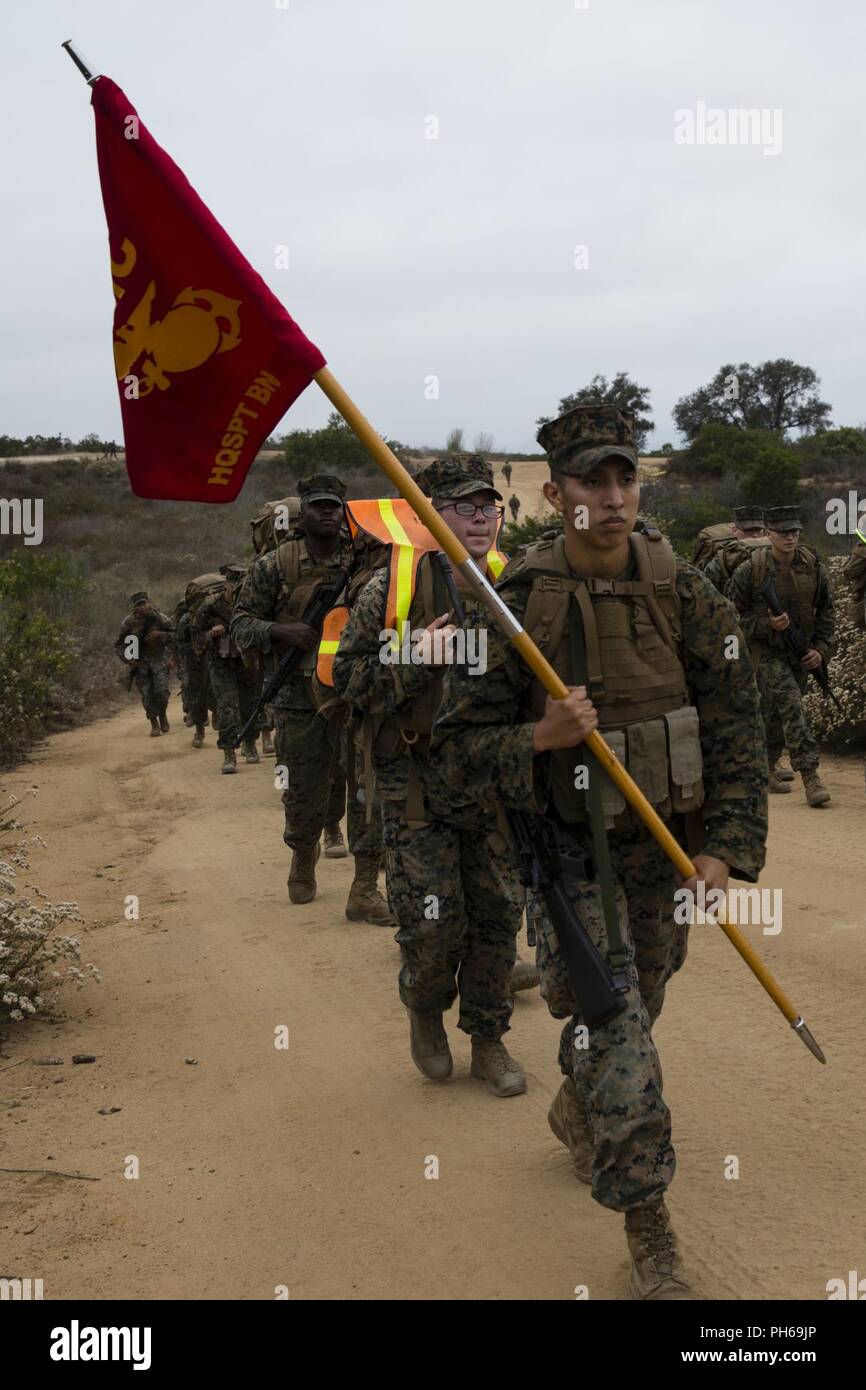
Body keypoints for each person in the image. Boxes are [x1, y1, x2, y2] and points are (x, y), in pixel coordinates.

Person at [431, 405, 768, 1298]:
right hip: (571, 863)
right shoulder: (512, 606)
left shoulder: (682, 589)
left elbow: (737, 719)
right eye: (592, 481)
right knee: (621, 1033)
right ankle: (650, 1228)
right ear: (557, 493)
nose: (612, 498)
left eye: (626, 479)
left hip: (664, 853)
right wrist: (536, 738)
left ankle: (576, 1106)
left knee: (634, 1014)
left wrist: (727, 851)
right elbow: (453, 755)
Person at [332, 456, 531, 1097]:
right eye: (464, 507)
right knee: (433, 922)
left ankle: (489, 1039)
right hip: (417, 785)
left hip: (493, 789)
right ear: (432, 515)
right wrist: (413, 657)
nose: (480, 518)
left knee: (499, 916)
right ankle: (424, 1010)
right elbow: (346, 681)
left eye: (489, 506)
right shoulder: (395, 587)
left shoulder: (513, 584)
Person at [231, 474, 391, 923]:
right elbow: (242, 624)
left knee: (365, 788)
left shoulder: (361, 557)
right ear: (303, 512)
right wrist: (281, 630)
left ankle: (364, 884)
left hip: (355, 692)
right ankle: (303, 853)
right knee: (304, 788)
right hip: (299, 697)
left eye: (334, 505)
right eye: (318, 506)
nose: (327, 513)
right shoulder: (275, 565)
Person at [727, 505, 835, 807]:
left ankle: (768, 765)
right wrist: (765, 625)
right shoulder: (751, 570)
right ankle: (811, 776)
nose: (790, 538)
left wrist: (820, 651)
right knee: (791, 703)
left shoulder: (813, 565)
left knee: (776, 712)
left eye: (795, 532)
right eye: (783, 532)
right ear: (770, 534)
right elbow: (729, 616)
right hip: (766, 652)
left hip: (800, 652)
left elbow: (827, 612)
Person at [699, 510, 794, 791]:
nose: (755, 537)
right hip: (727, 640)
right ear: (734, 530)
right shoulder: (722, 559)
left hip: (760, 638)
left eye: (759, 531)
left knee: (767, 702)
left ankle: (766, 762)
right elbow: (705, 599)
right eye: (748, 531)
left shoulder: (769, 559)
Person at [193, 565, 262, 773]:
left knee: (249, 705)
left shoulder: (252, 605)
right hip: (221, 662)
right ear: (227, 585)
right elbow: (195, 636)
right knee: (226, 707)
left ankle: (250, 745)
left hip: (246, 661)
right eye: (235, 585)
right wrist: (210, 634)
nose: (238, 589)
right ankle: (229, 751)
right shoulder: (210, 606)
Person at [114, 591, 175, 737]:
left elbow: (176, 635)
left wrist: (160, 635)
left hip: (159, 660)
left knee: (161, 692)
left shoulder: (159, 618)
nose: (142, 607)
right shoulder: (128, 623)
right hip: (140, 664)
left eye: (143, 603)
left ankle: (163, 715)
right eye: (138, 605)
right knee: (146, 695)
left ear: (148, 603)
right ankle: (154, 723)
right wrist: (128, 660)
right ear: (134, 607)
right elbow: (119, 645)